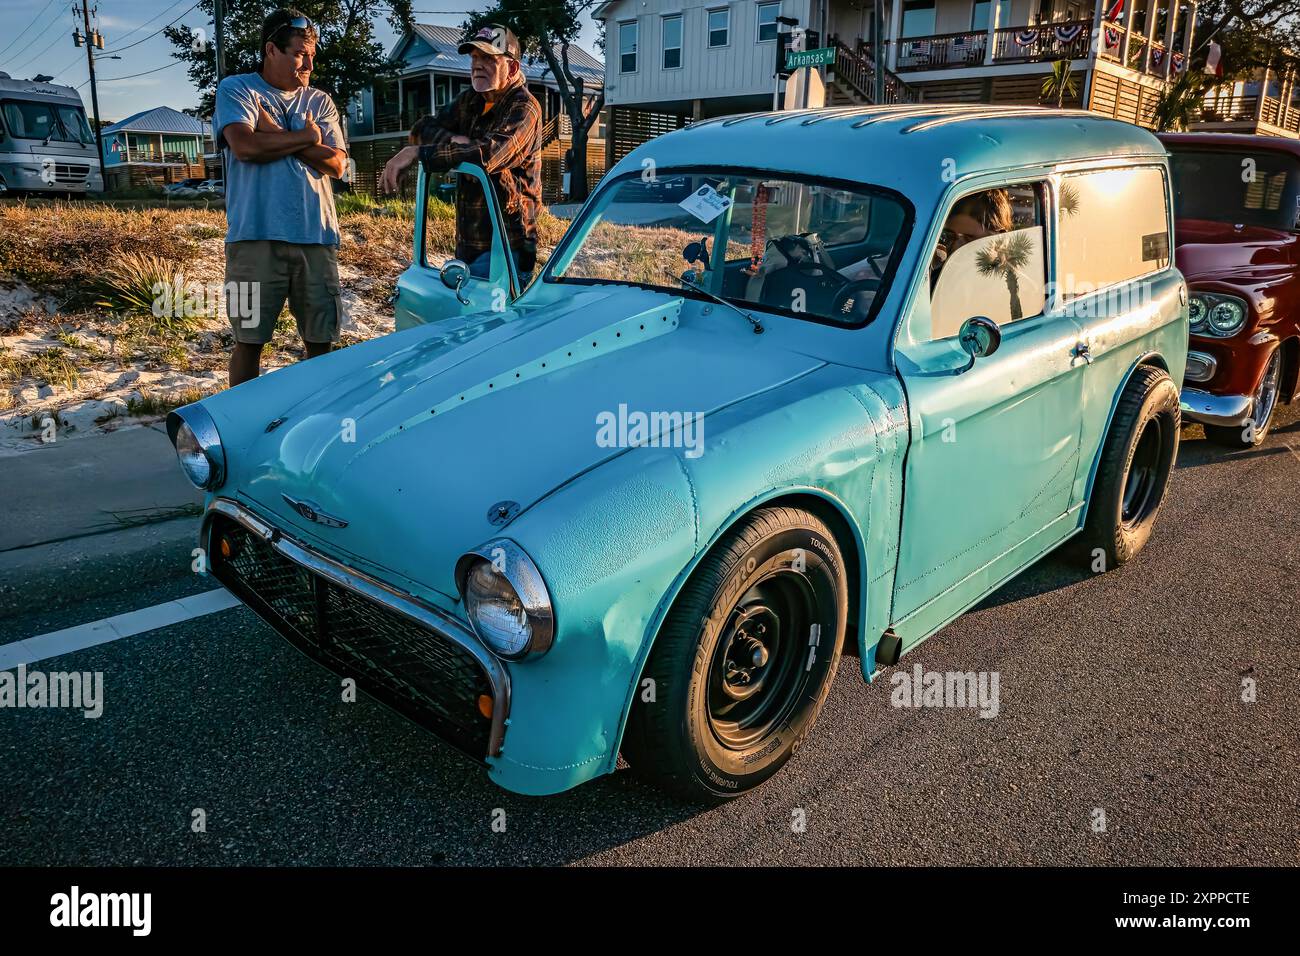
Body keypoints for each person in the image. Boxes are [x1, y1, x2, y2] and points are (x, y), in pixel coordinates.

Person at [214, 8, 348, 387]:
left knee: (321, 342)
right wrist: (307, 139)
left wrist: (274, 134)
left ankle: (316, 423)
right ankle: (241, 422)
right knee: (248, 341)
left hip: (316, 237)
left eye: (312, 55)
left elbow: (337, 164)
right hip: (253, 238)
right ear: (271, 49)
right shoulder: (237, 89)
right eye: (299, 53)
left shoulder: (319, 102)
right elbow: (244, 147)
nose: (308, 63)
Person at [379, 24, 542, 288]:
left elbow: (489, 154)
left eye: (488, 58)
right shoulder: (470, 101)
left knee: (492, 325)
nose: (477, 65)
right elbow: (422, 128)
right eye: (475, 57)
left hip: (507, 246)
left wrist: (418, 153)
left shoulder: (524, 108)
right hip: (468, 243)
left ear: (512, 68)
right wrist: (453, 140)